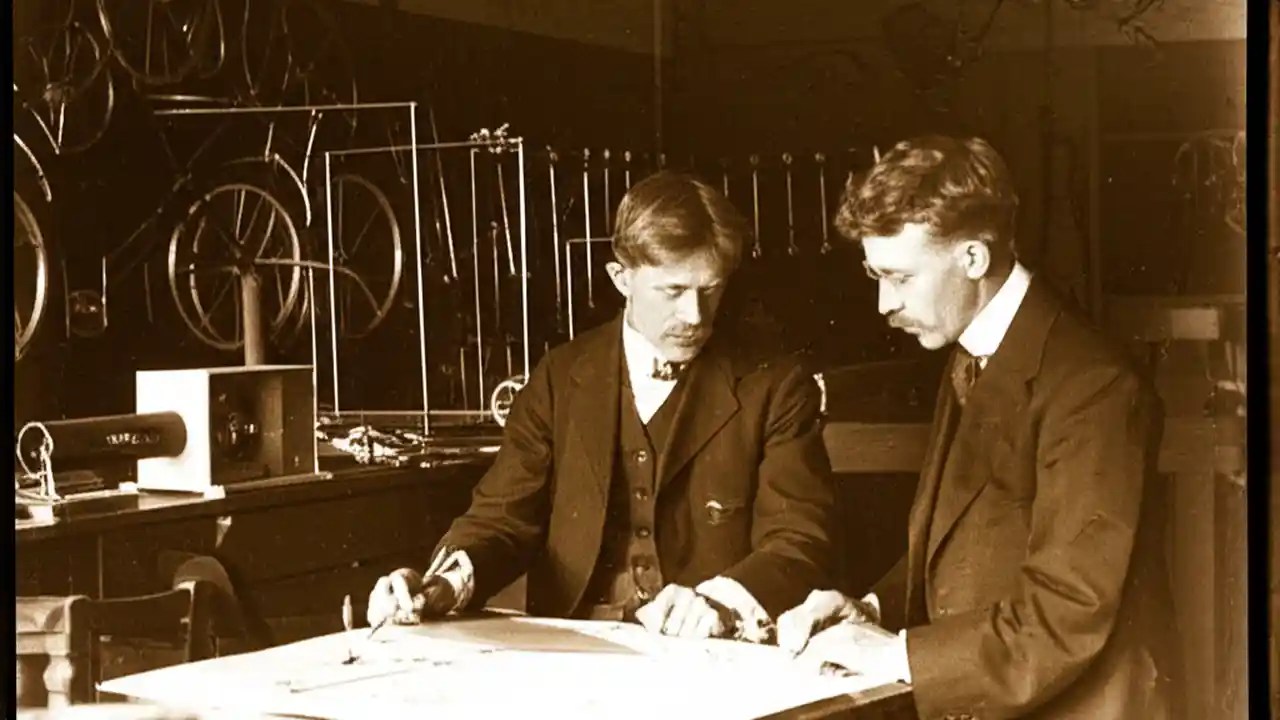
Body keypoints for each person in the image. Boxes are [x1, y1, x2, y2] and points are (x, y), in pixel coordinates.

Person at [777, 135, 1178, 718]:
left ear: (973, 258)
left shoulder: (1093, 385)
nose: (883, 304)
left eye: (901, 277)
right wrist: (869, 609)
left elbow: (1066, 610)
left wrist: (898, 656)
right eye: (875, 274)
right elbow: (963, 550)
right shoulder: (975, 349)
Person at [368, 170, 837, 641]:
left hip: (707, 648)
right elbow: (502, 519)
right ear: (621, 278)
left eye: (711, 289)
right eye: (672, 292)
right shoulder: (560, 375)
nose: (695, 316)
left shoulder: (775, 384)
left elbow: (797, 540)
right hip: (573, 645)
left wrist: (721, 603)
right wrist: (440, 585)